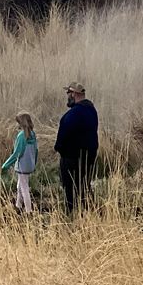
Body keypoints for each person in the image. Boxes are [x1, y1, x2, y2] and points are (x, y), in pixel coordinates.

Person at [54, 81, 98, 211]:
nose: (67, 96)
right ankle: (87, 212)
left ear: (74, 94)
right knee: (84, 185)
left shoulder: (72, 115)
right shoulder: (92, 110)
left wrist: (59, 148)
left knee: (70, 187)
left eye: (68, 93)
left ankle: (71, 213)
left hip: (71, 158)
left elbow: (63, 136)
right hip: (89, 157)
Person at [1, 111, 38, 213]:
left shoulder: (22, 136)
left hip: (22, 166)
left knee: (24, 187)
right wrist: (34, 163)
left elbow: (17, 153)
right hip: (30, 165)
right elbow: (36, 150)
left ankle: (28, 211)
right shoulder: (33, 134)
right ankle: (18, 204)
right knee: (20, 185)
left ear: (21, 123)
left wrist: (6, 165)